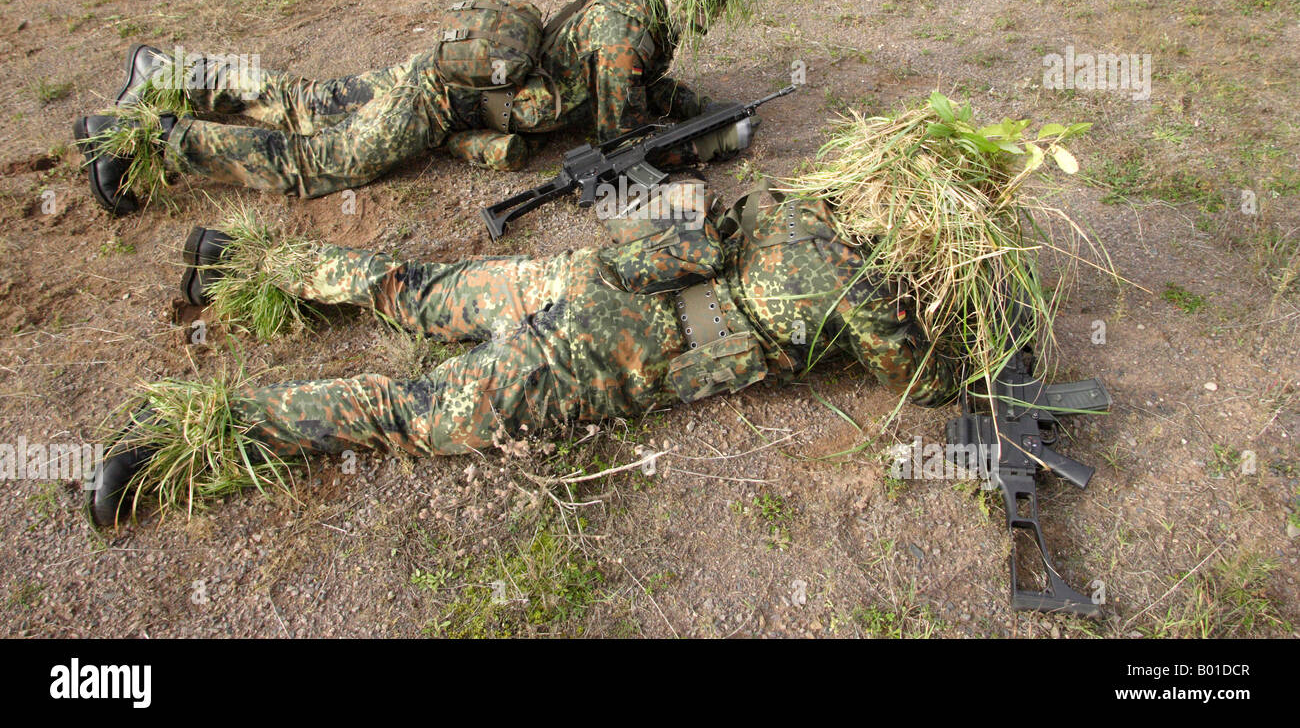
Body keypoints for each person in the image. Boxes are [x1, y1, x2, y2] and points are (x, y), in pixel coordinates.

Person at [86, 177, 958, 527]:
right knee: (417, 413)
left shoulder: (790, 202)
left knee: (415, 291)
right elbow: (921, 379)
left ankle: (232, 259)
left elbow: (708, 223)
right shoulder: (857, 287)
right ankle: (167, 438)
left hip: (584, 275)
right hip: (607, 347)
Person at [73, 0, 763, 215]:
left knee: (310, 102)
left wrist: (702, 107)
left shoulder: (634, 3)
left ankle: (172, 73)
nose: (714, 10)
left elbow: (644, 91)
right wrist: (705, 146)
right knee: (323, 163)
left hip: (447, 78)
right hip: (442, 99)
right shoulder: (626, 35)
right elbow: (622, 136)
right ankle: (149, 144)